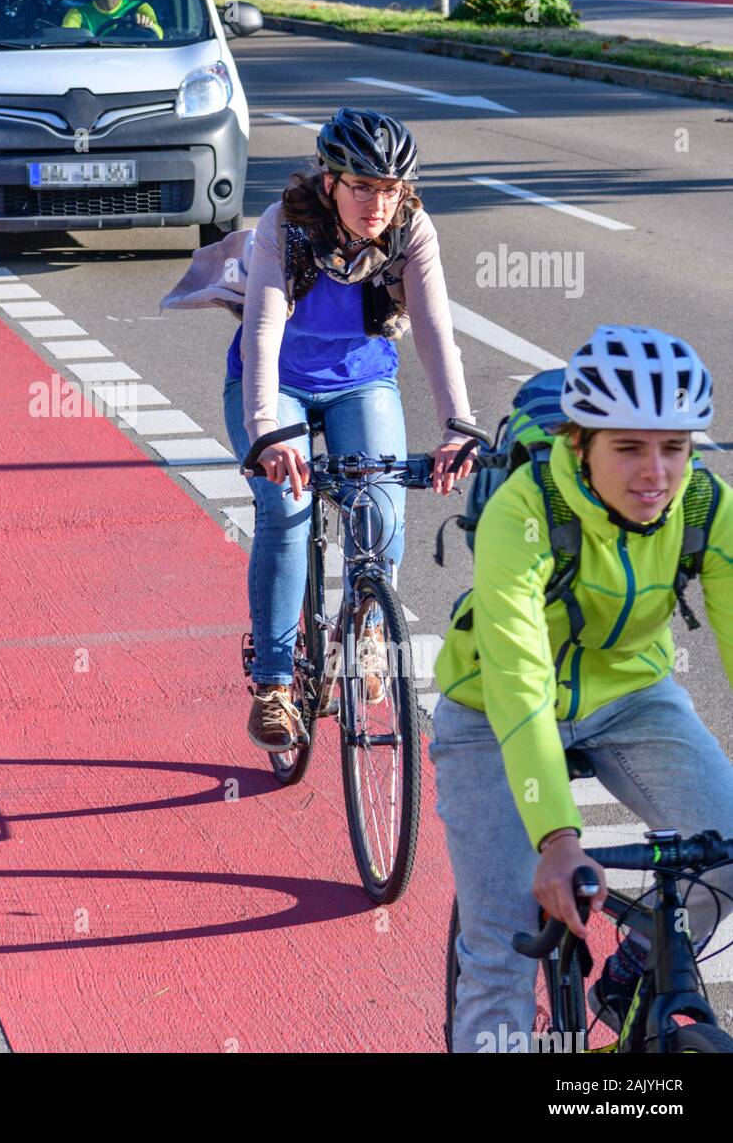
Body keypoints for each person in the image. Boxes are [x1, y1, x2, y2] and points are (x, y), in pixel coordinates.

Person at [432, 326, 733, 1053]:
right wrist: (558, 840)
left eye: (675, 448)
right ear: (579, 444)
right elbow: (519, 682)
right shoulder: (525, 512)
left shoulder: (703, 506)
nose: (656, 473)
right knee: (503, 953)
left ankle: (638, 963)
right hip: (489, 709)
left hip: (631, 696)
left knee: (726, 858)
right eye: (628, 447)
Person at [222, 108, 475, 751]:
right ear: (330, 180)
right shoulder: (286, 226)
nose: (378, 203)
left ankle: (365, 626)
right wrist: (264, 431)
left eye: (390, 189)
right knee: (287, 508)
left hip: (360, 380)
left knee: (382, 510)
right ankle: (276, 684)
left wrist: (458, 425)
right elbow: (262, 330)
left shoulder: (410, 230)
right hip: (274, 378)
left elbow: (437, 330)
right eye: (362, 186)